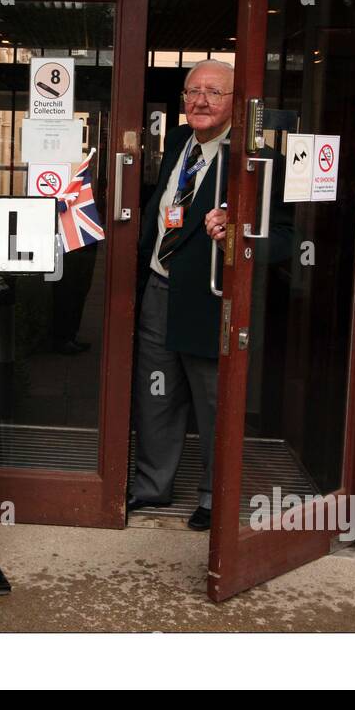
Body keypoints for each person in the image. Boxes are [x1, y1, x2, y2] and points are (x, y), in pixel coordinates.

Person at [130, 60, 234, 531]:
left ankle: (214, 496)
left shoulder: (253, 159)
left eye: (214, 92)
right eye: (193, 91)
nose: (201, 101)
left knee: (213, 402)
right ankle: (153, 486)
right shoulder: (177, 142)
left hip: (209, 299)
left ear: (235, 102)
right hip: (159, 287)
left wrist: (237, 234)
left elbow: (284, 239)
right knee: (157, 395)